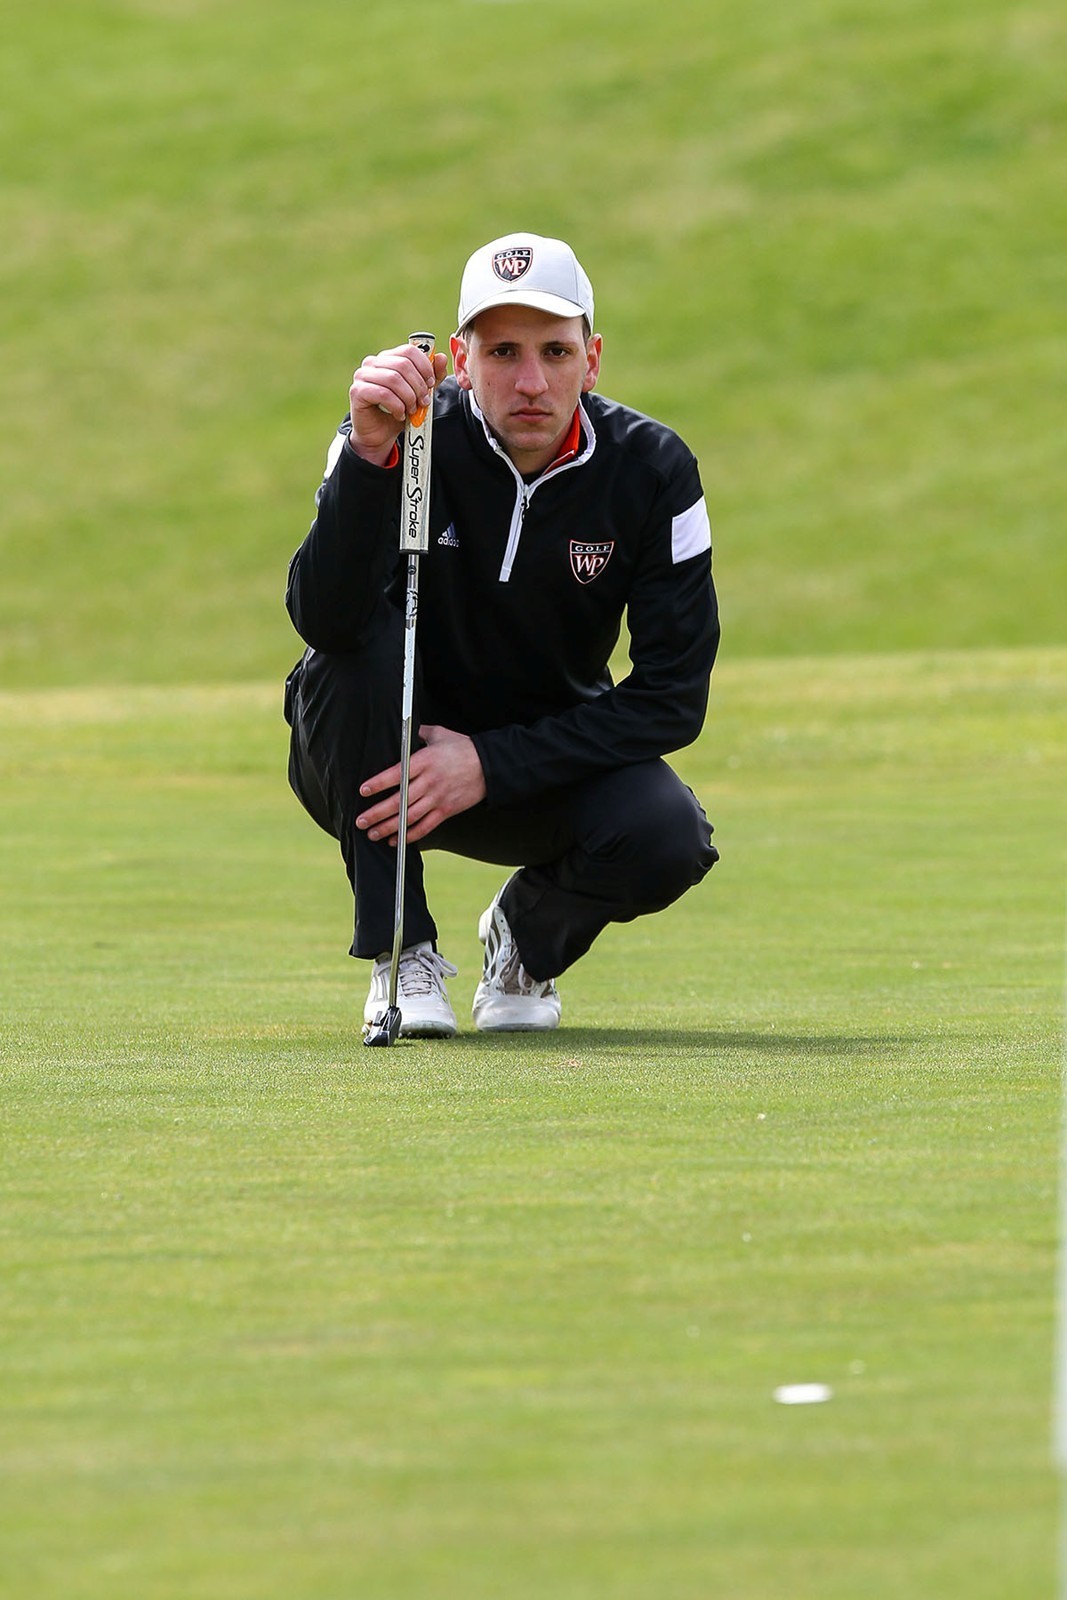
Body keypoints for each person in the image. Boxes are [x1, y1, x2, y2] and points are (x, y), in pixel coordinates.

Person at [284, 231, 720, 1036]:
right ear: (460, 358)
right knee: (349, 661)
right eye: (502, 352)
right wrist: (368, 455)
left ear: (591, 360)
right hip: (376, 755)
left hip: (541, 769)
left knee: (668, 833)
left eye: (555, 352)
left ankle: (522, 940)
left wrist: (489, 764)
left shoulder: (653, 470)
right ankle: (400, 952)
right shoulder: (399, 436)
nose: (530, 382)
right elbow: (324, 622)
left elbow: (672, 699)